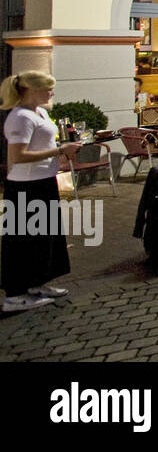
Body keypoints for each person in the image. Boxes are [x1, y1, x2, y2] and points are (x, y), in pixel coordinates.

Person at [1, 71, 83, 311]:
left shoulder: (41, 113)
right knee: (22, 239)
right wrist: (59, 151)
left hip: (43, 181)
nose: (51, 92)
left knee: (44, 238)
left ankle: (38, 281)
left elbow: (42, 144)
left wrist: (60, 150)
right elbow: (18, 156)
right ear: (32, 90)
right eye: (48, 88)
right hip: (25, 185)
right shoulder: (20, 118)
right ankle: (15, 294)